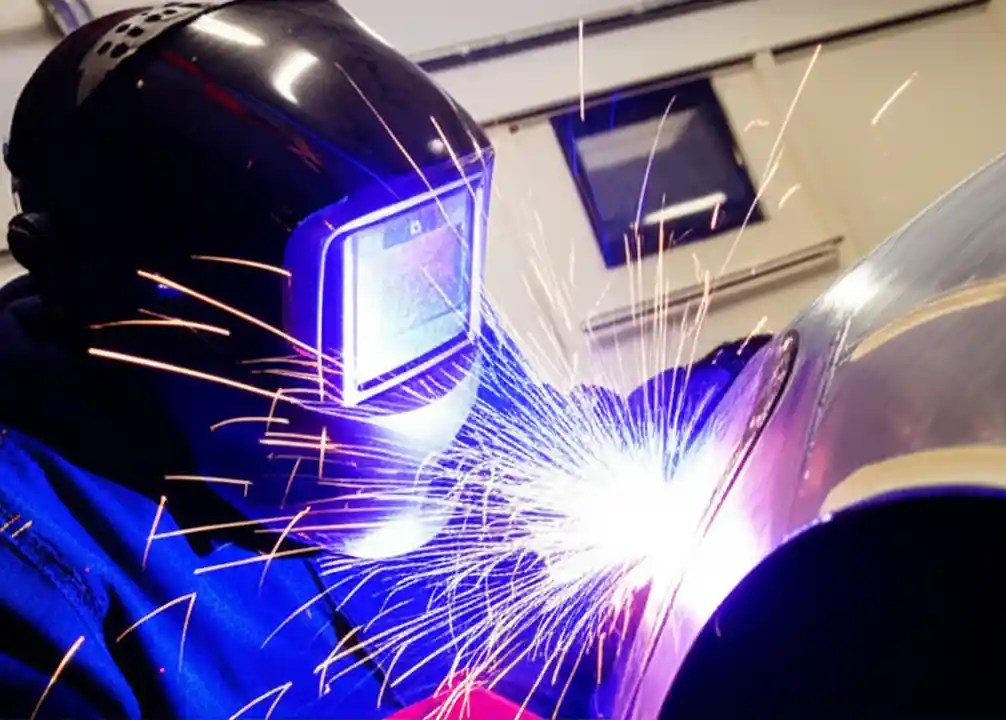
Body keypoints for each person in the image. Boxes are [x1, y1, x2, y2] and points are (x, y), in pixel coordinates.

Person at [0, 1, 767, 717]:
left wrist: (736, 399)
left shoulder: (414, 313)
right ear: (166, 307)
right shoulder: (34, 569)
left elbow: (551, 459)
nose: (422, 313)